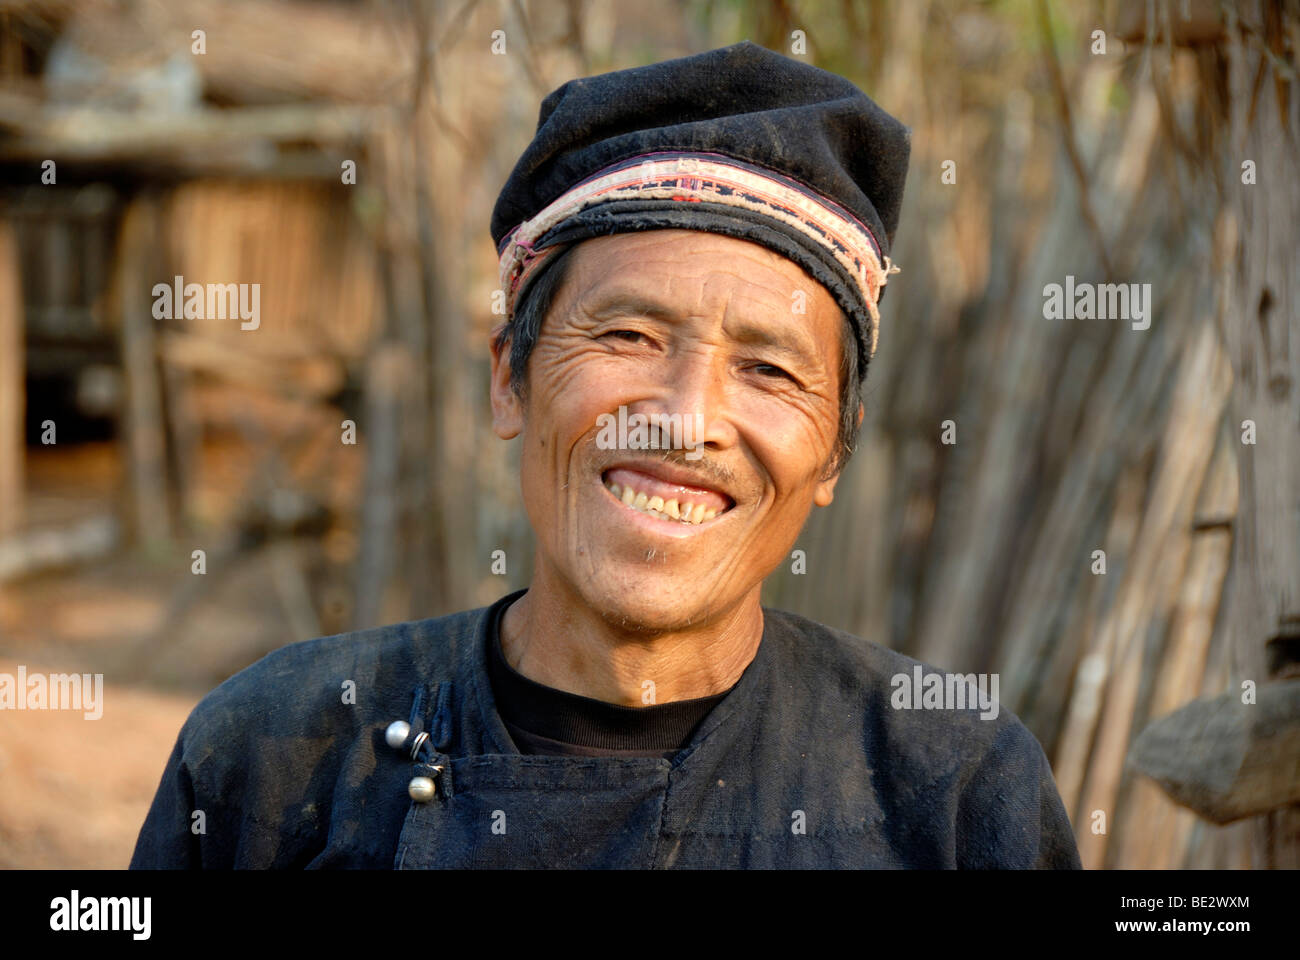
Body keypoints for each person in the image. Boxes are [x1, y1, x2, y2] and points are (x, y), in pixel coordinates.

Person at [130, 41, 1081, 869]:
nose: (683, 419)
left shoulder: (951, 790)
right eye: (627, 335)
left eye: (768, 368)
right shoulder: (276, 748)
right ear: (511, 379)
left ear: (834, 452)